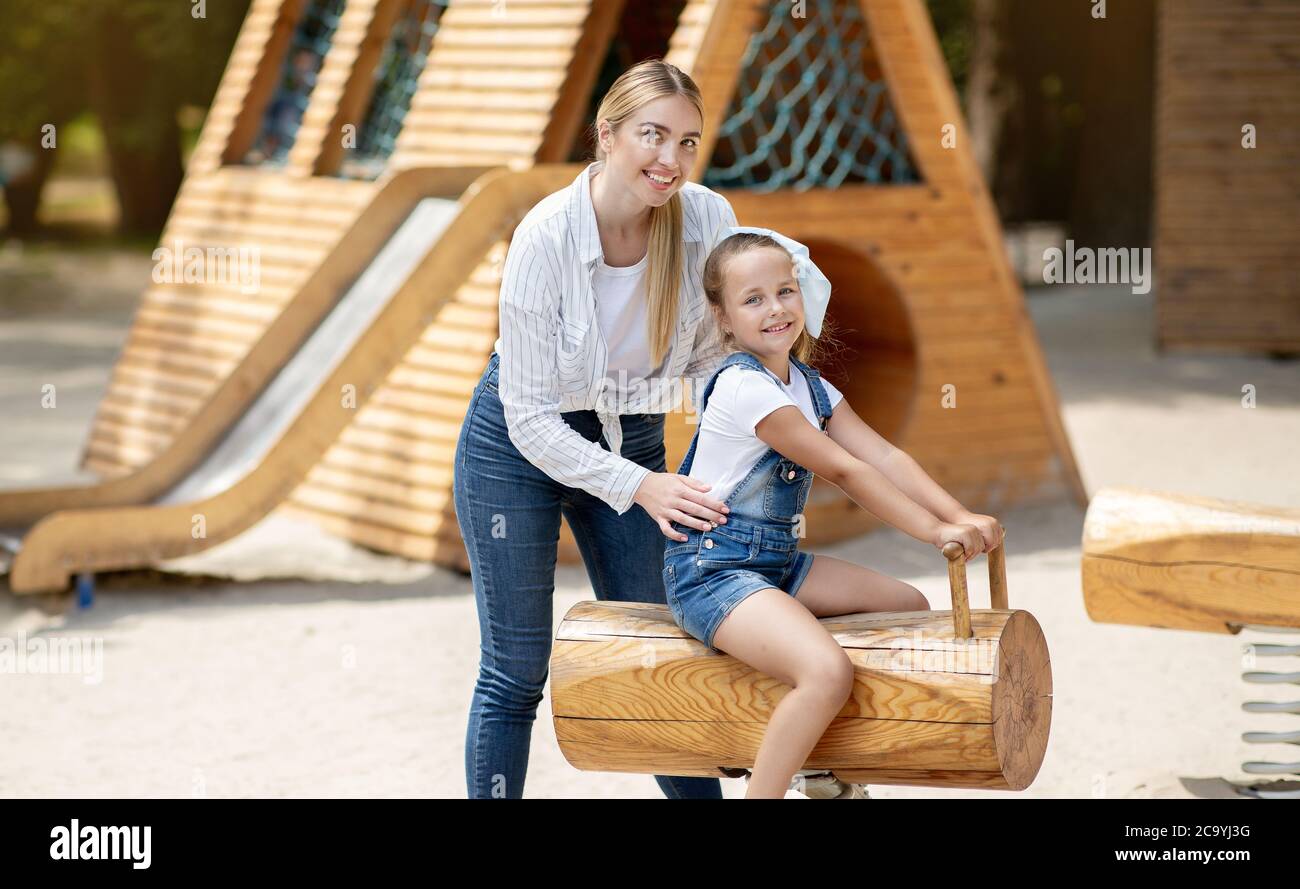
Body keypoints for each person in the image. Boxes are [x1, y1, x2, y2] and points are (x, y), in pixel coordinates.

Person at [453, 58, 742, 799]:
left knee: (658, 653)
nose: (670, 159)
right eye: (653, 135)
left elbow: (718, 362)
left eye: (687, 141)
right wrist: (641, 486)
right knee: (515, 669)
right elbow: (529, 417)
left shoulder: (708, 220)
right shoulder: (545, 237)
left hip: (633, 435)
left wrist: (738, 460)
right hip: (517, 446)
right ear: (606, 136)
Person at [662, 226, 1006, 798]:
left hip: (774, 565)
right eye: (753, 300)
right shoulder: (745, 388)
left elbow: (884, 454)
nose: (775, 309)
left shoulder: (810, 386)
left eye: (785, 291)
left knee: (906, 607)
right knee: (826, 670)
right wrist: (934, 531)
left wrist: (960, 513)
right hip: (712, 572)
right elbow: (847, 470)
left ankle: (824, 767)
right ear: (723, 317)